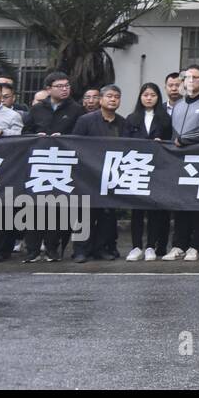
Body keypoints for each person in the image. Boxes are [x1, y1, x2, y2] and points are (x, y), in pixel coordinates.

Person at [21, 71, 84, 263]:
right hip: (39, 164)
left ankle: (52, 248)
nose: (64, 89)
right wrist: (35, 137)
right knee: (34, 206)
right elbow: (25, 132)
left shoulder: (76, 109)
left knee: (57, 208)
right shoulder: (37, 109)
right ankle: (32, 250)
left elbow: (81, 136)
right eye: (59, 86)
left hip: (63, 165)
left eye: (67, 86)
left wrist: (65, 139)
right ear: (48, 89)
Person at [160, 65, 199, 262]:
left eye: (196, 77)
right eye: (187, 77)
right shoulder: (178, 105)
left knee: (198, 205)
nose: (191, 81)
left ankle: (196, 246)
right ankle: (178, 245)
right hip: (179, 160)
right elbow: (173, 132)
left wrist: (186, 139)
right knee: (180, 204)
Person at [71, 84, 125, 263]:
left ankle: (101, 248)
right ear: (101, 100)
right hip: (88, 174)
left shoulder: (122, 122)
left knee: (107, 214)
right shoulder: (85, 120)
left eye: (116, 97)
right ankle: (80, 250)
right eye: (109, 96)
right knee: (85, 213)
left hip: (111, 175)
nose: (113, 99)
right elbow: (75, 145)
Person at [122, 82, 173, 262]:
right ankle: (136, 246)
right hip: (137, 168)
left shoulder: (165, 118)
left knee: (154, 210)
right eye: (145, 95)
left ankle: (151, 246)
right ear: (140, 97)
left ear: (158, 97)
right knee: (137, 210)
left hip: (157, 169)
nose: (149, 98)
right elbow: (124, 142)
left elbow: (170, 140)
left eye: (152, 95)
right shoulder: (132, 118)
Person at [0, 80, 23, 262]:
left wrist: (1, 132)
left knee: (0, 209)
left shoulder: (12, 115)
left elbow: (20, 138)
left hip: (4, 169)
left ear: (2, 95)